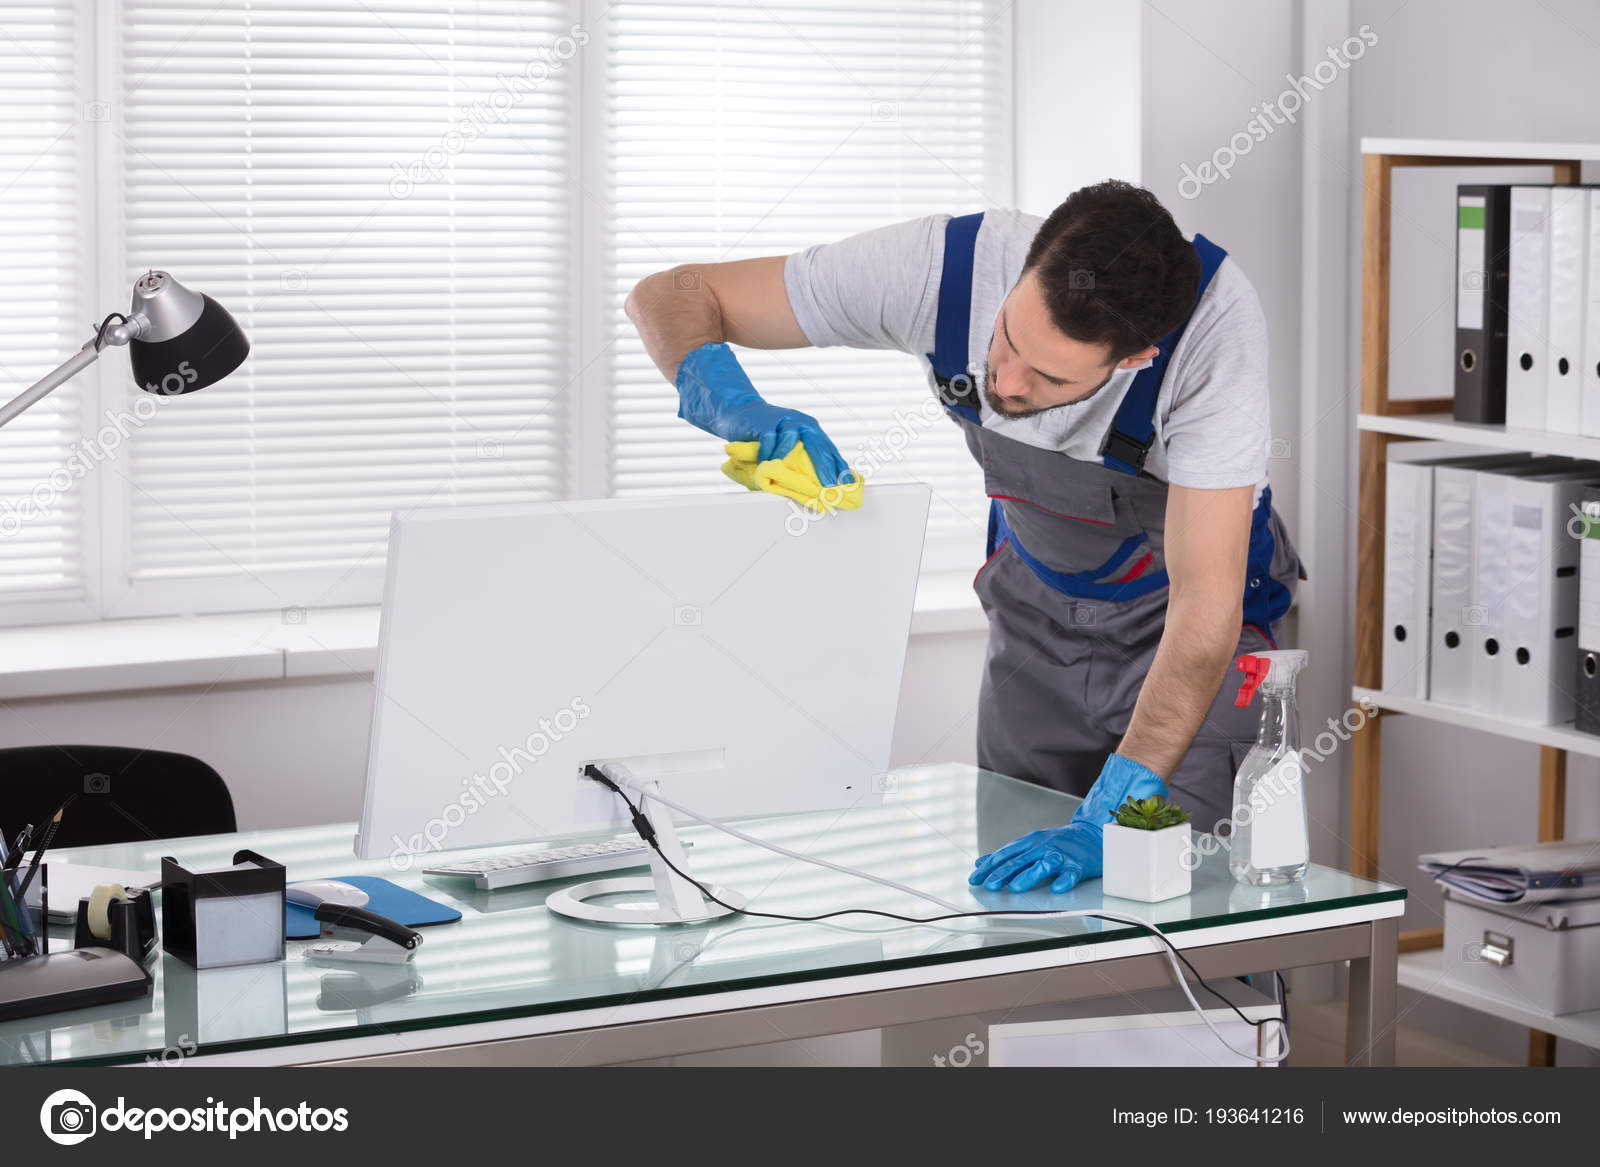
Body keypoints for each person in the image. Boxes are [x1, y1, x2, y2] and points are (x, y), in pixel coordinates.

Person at [625, 180, 1302, 895]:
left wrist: (1110, 812)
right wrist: (730, 403)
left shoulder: (1212, 336)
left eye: (1047, 376)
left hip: (1191, 636)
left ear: (1132, 359)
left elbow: (1205, 612)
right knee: (1014, 903)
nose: (1002, 383)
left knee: (1191, 898)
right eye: (1009, 333)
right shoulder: (945, 269)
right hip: (1033, 619)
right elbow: (669, 294)